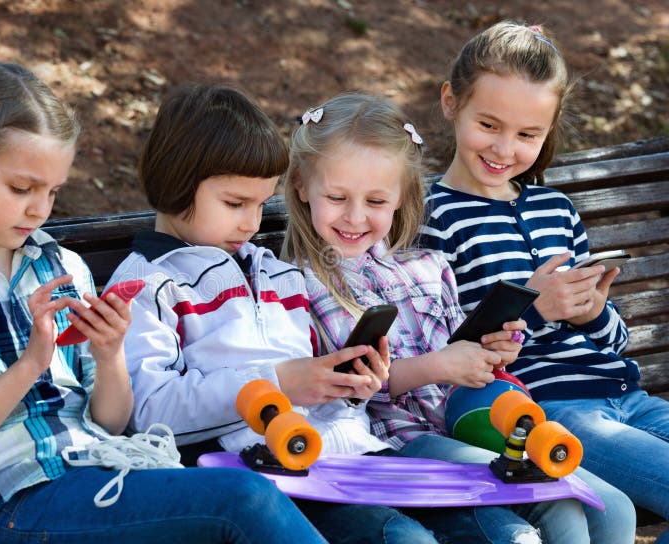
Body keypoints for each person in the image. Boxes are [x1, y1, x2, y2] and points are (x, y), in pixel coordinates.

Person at [0, 62, 328, 544]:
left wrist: (109, 357)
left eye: (52, 192)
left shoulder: (59, 266)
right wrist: (31, 364)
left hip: (106, 474)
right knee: (243, 500)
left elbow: (109, 421)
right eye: (22, 189)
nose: (40, 209)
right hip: (18, 505)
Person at [108, 82, 446, 544]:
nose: (251, 223)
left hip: (340, 463)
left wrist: (348, 388)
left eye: (259, 204)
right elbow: (148, 412)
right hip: (256, 479)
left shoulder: (277, 275)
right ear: (175, 184)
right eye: (235, 204)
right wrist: (278, 382)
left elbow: (310, 387)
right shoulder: (146, 284)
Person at [281, 91, 603, 543]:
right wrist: (439, 366)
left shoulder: (429, 267)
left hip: (468, 423)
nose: (354, 217)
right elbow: (337, 394)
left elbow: (462, 355)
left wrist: (492, 350)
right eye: (336, 197)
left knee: (582, 504)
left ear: (401, 197)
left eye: (376, 201)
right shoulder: (294, 283)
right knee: (530, 503)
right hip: (397, 443)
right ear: (301, 185)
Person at [419, 21, 649, 543]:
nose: (505, 149)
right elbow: (445, 352)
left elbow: (614, 340)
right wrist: (534, 308)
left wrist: (592, 313)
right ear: (451, 103)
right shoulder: (432, 215)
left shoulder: (556, 208)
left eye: (528, 135)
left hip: (624, 392)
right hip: (551, 406)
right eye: (489, 125)